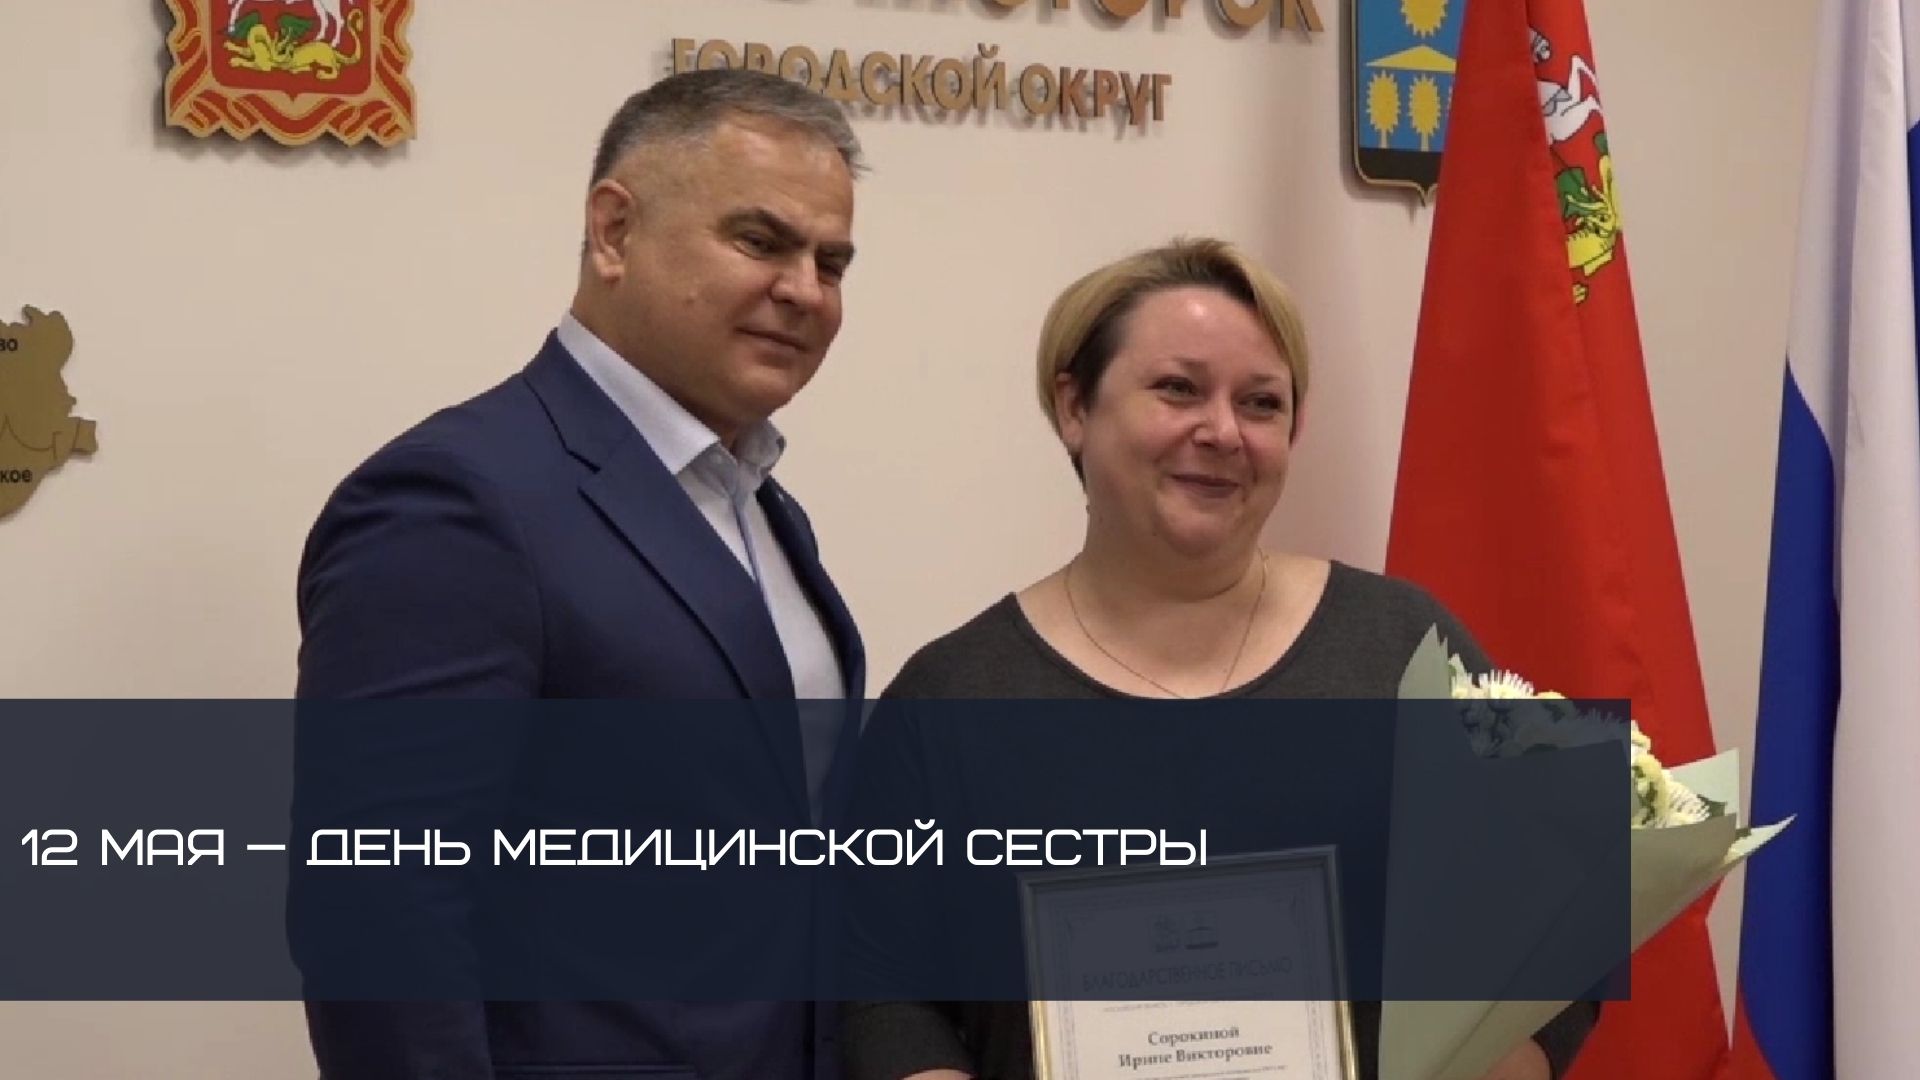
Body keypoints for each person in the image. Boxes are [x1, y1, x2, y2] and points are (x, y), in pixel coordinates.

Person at [838, 239, 1595, 1080]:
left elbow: (1558, 917)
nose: (1223, 432)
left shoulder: (1405, 648)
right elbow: (879, 988)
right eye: (1178, 388)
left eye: (1262, 403)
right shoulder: (950, 700)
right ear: (1074, 406)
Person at [292, 68, 867, 1080]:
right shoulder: (458, 501)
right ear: (613, 230)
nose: (805, 292)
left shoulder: (765, 509)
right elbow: (378, 915)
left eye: (832, 262)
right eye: (760, 241)